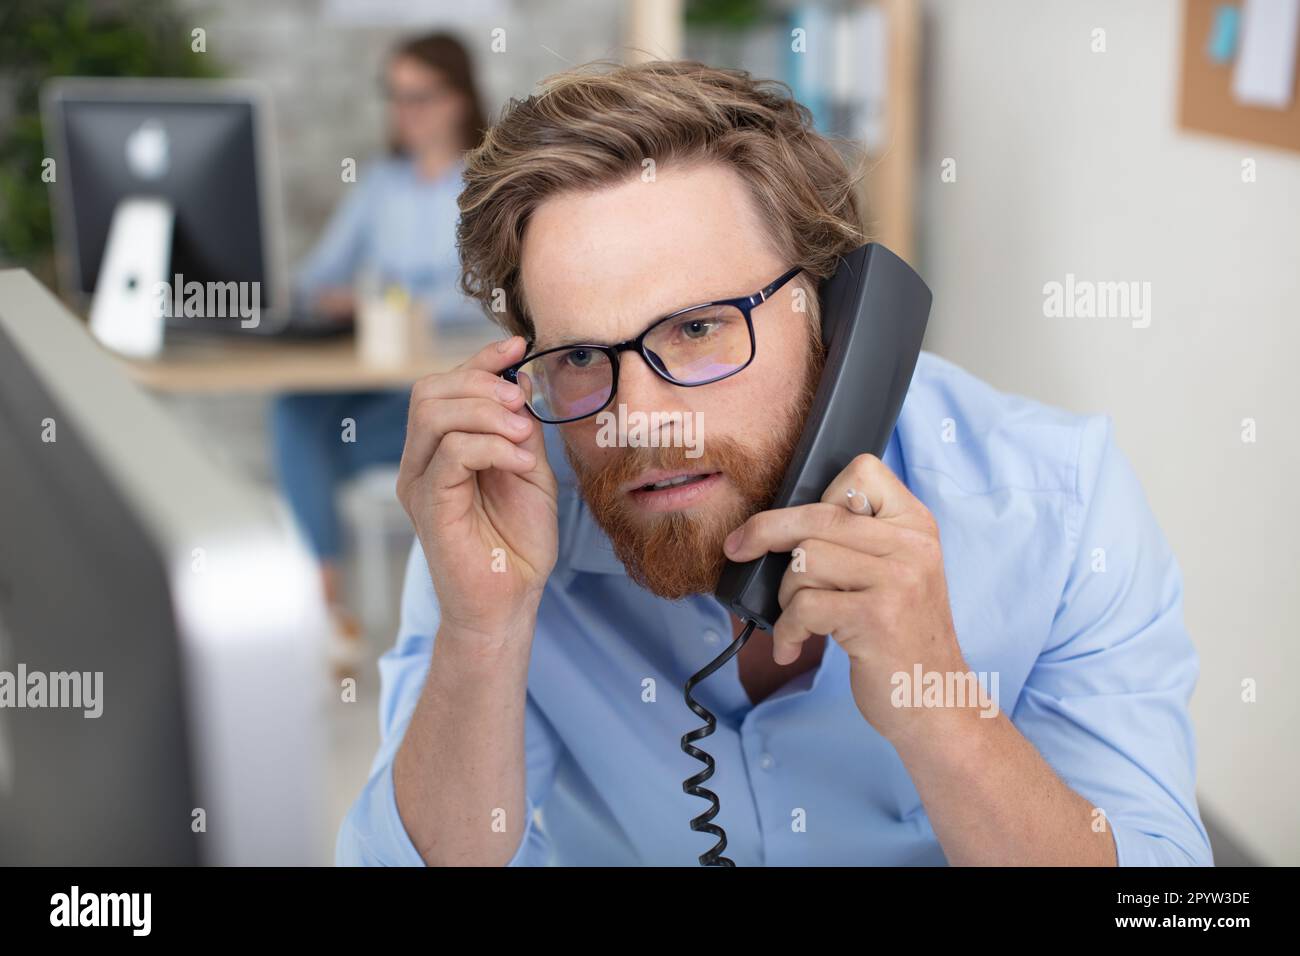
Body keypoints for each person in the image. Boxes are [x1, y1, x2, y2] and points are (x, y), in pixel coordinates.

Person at [337, 61, 1212, 866]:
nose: (641, 422)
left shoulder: (1056, 507)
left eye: (699, 327)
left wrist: (942, 707)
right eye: (578, 358)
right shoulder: (504, 510)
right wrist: (482, 631)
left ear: (835, 320)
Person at [272, 32, 488, 675]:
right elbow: (315, 278)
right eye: (395, 98)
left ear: (457, 99)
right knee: (295, 414)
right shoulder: (380, 185)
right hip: (380, 388)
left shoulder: (486, 186)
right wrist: (314, 295)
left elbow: (478, 295)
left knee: (309, 447)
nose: (405, 113)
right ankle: (328, 605)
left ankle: (325, 614)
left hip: (446, 394)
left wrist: (380, 295)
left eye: (419, 97)